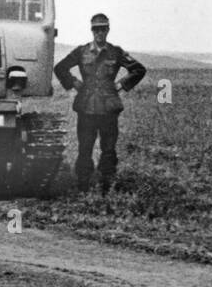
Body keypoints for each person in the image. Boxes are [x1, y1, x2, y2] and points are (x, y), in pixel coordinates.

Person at [53, 13, 147, 195]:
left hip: (108, 109)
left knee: (109, 149)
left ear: (108, 30)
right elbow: (60, 68)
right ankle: (83, 186)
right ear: (92, 30)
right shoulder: (81, 52)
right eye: (96, 29)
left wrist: (121, 84)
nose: (100, 32)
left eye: (103, 28)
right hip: (86, 108)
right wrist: (74, 82)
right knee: (85, 148)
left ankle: (106, 186)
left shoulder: (115, 52)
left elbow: (138, 69)